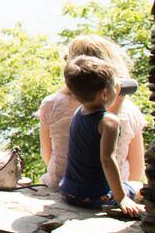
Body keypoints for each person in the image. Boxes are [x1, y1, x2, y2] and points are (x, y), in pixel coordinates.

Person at [38, 34, 146, 191]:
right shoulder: (130, 111)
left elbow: (47, 156)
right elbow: (137, 170)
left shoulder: (51, 104)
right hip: (109, 191)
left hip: (62, 185)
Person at [59, 55, 144, 218]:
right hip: (95, 196)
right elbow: (107, 160)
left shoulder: (79, 111)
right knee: (139, 186)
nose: (117, 87)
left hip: (68, 191)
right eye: (115, 85)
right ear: (104, 94)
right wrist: (122, 198)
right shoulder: (109, 122)